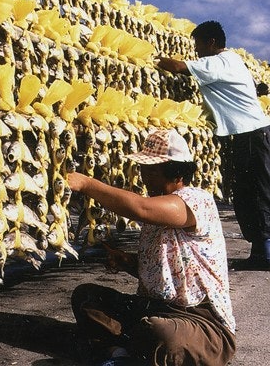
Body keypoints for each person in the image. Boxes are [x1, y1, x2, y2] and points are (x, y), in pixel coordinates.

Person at [68, 129, 236, 366]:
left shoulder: (196, 200)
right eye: (143, 169)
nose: (145, 177)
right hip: (152, 309)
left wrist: (86, 184)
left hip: (200, 322)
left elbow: (141, 208)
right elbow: (170, 272)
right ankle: (122, 354)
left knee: (159, 333)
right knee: (86, 296)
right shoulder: (160, 204)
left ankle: (121, 349)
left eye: (152, 170)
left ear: (176, 172)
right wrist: (130, 262)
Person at [155, 20, 270, 271]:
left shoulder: (216, 62)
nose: (196, 51)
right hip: (261, 132)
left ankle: (264, 256)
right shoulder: (235, 59)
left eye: (198, 45)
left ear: (211, 42)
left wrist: (155, 58)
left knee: (252, 193)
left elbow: (178, 67)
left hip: (248, 135)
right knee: (266, 189)